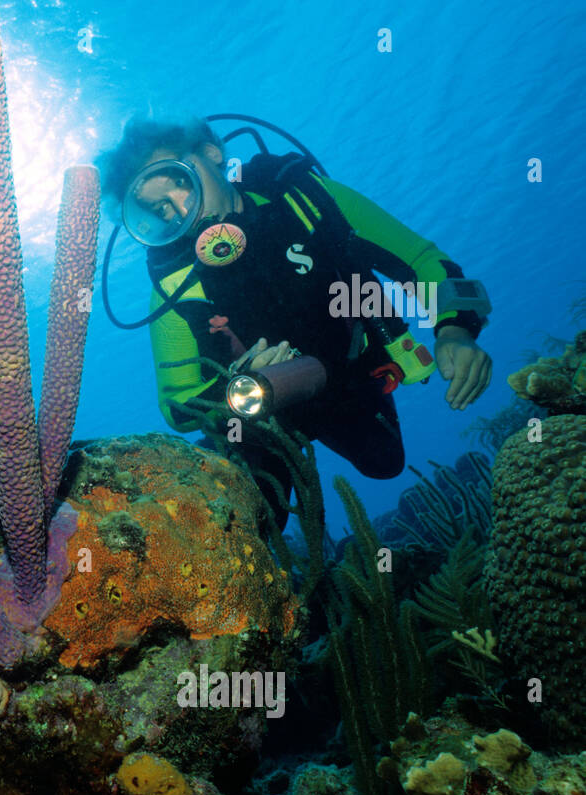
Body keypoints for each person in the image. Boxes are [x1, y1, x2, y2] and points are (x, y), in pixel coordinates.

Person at [97, 118, 493, 524]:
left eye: (181, 182)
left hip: (351, 378)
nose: (184, 210)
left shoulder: (306, 198)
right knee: (252, 520)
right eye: (162, 208)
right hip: (262, 421)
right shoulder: (176, 281)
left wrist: (455, 332)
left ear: (212, 154)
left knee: (385, 462)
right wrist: (234, 390)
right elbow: (176, 404)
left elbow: (424, 261)